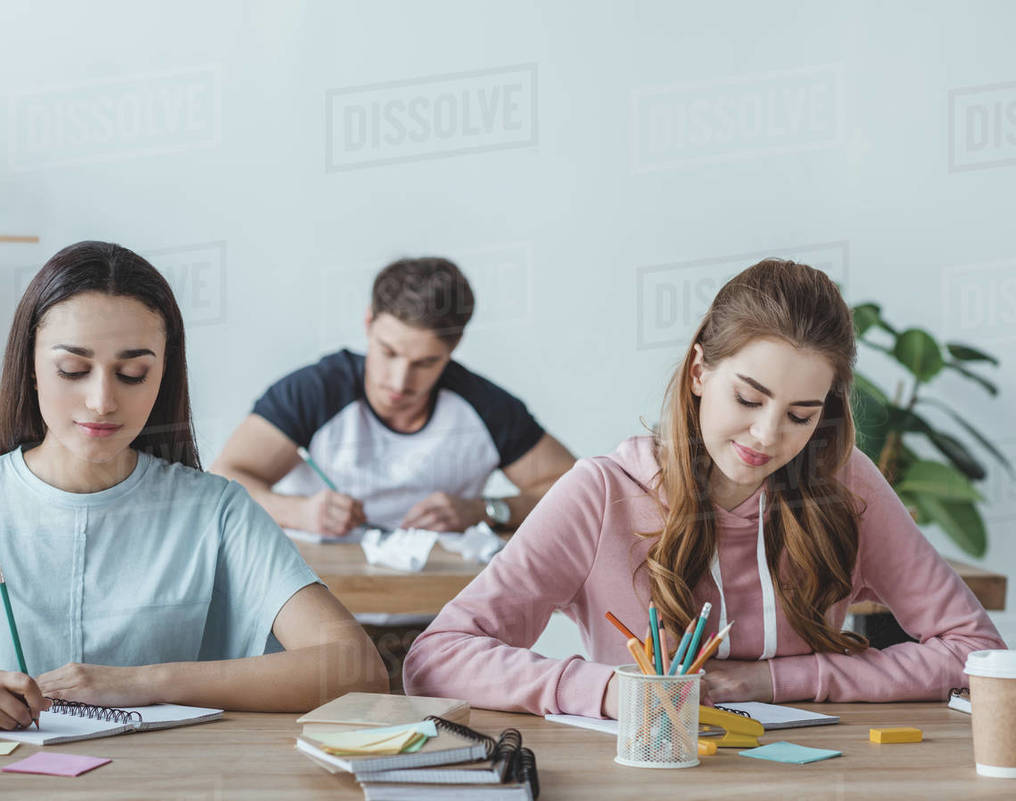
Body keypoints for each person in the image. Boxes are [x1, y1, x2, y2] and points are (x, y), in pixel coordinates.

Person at [0, 241, 387, 731]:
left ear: (163, 375)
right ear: (31, 366)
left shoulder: (216, 510)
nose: (102, 401)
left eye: (133, 373)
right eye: (73, 369)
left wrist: (145, 683)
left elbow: (354, 668)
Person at [403, 259, 1005, 716]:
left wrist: (773, 681)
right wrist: (616, 690)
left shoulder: (846, 485)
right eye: (748, 398)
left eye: (801, 414)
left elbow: (975, 652)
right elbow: (436, 659)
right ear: (698, 372)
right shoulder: (601, 494)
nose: (767, 435)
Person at [212, 256, 576, 537]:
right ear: (368, 323)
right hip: (321, 603)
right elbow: (225, 478)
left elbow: (576, 490)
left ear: (455, 347)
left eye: (426, 362)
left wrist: (486, 510)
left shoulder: (484, 406)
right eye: (388, 352)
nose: (400, 382)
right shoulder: (316, 391)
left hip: (439, 614)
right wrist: (301, 512)